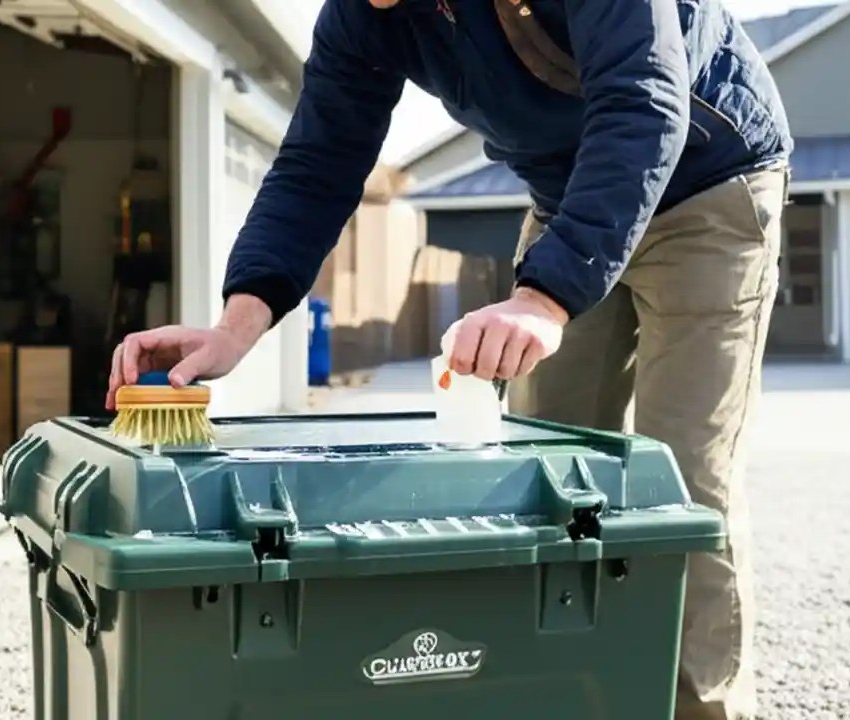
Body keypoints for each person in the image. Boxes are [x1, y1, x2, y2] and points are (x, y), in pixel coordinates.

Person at [106, 1, 791, 717]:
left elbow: (642, 100)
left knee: (684, 486)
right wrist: (236, 327)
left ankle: (699, 710)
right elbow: (319, 161)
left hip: (709, 186)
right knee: (549, 484)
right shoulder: (360, 17)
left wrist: (544, 299)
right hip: (571, 201)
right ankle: (573, 693)